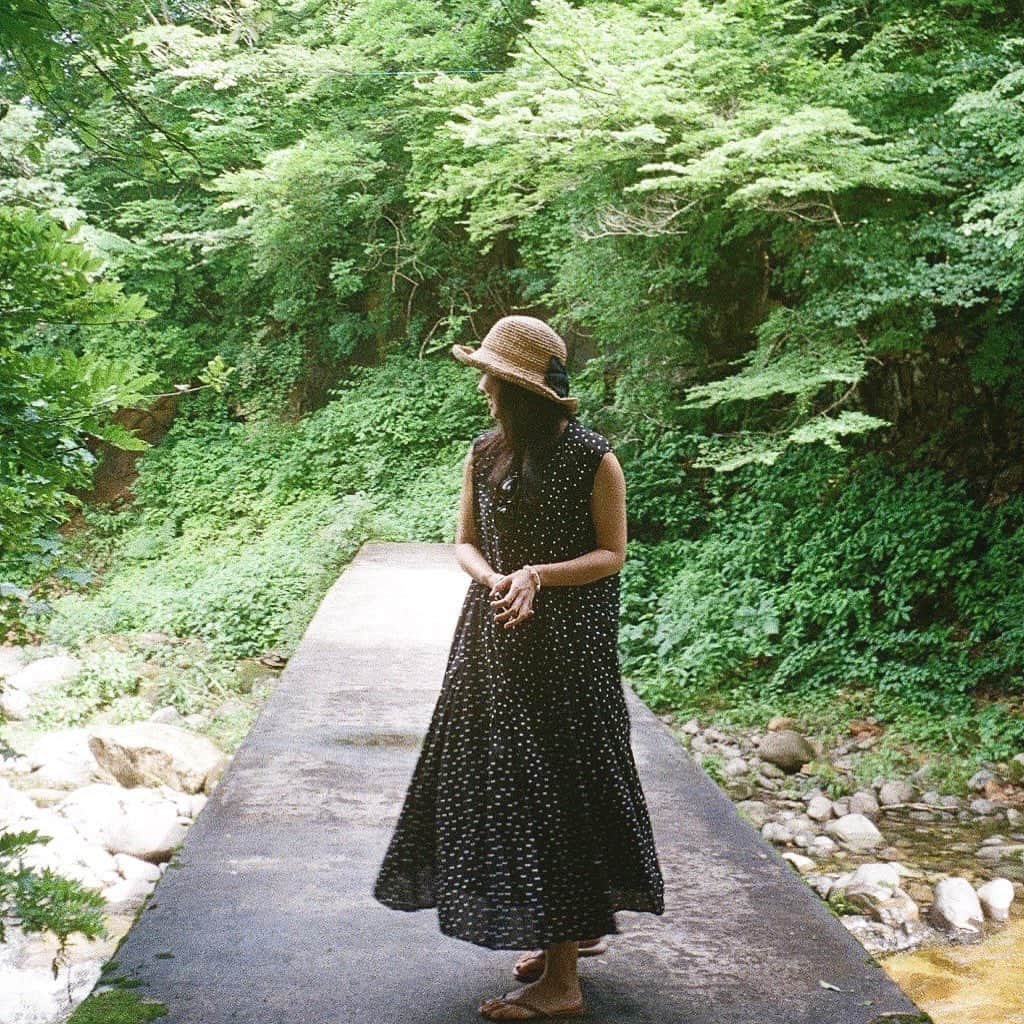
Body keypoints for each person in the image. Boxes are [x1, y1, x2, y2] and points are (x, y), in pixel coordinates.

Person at [372, 315, 665, 1020]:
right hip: (496, 639)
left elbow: (611, 554)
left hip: (570, 649)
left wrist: (538, 574)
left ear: (522, 389)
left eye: (492, 378)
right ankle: (566, 935)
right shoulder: (483, 453)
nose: (482, 387)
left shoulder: (595, 457)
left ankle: (561, 984)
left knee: (561, 789)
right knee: (512, 785)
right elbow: (467, 544)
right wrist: (499, 578)